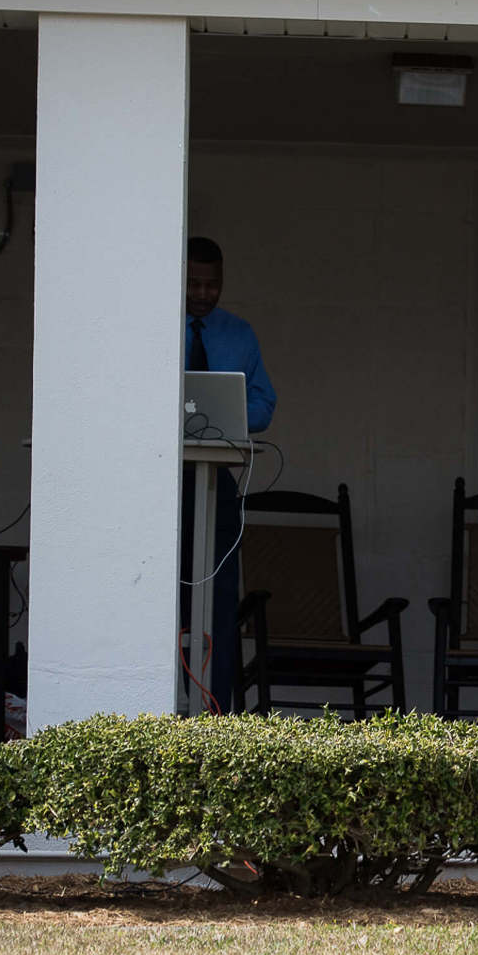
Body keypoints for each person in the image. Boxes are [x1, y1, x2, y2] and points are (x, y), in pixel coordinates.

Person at [181, 236, 277, 714]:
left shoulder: (238, 333)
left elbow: (264, 404)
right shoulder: (150, 324)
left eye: (212, 284)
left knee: (218, 599)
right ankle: (159, 707)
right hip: (158, 485)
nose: (203, 293)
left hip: (215, 481)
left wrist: (231, 417)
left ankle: (216, 713)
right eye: (194, 283)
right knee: (162, 594)